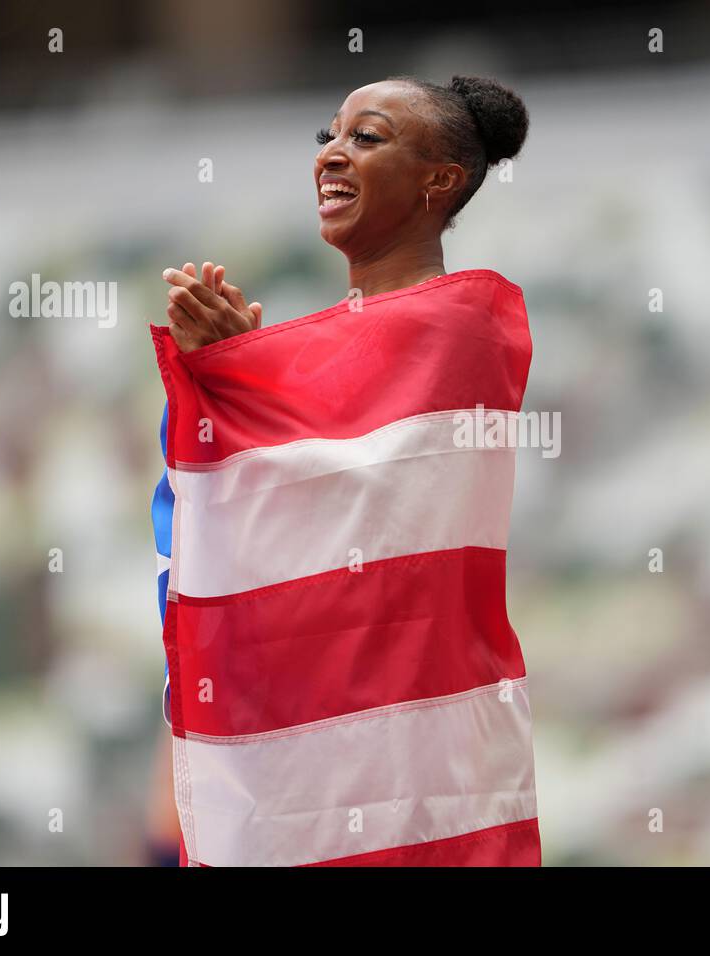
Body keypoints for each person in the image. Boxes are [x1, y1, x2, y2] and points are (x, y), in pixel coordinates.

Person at [149, 75, 541, 866]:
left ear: (441, 180)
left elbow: (373, 502)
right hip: (327, 750)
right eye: (327, 136)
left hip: (426, 755)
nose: (332, 153)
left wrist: (251, 386)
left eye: (366, 138)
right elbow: (277, 529)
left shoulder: (463, 322)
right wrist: (231, 388)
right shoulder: (310, 360)